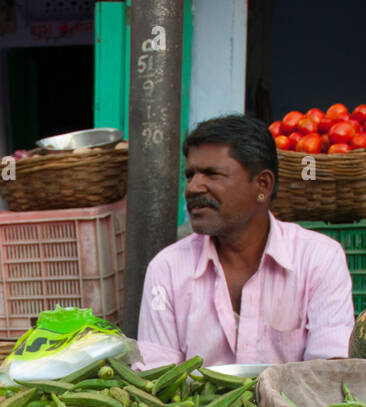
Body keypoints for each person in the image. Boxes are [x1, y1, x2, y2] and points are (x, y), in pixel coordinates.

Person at [137, 114, 354, 366]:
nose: (193, 187)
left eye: (212, 174)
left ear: (262, 185)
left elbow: (329, 371)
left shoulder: (319, 259)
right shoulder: (166, 270)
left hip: (295, 406)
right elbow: (156, 378)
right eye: (190, 175)